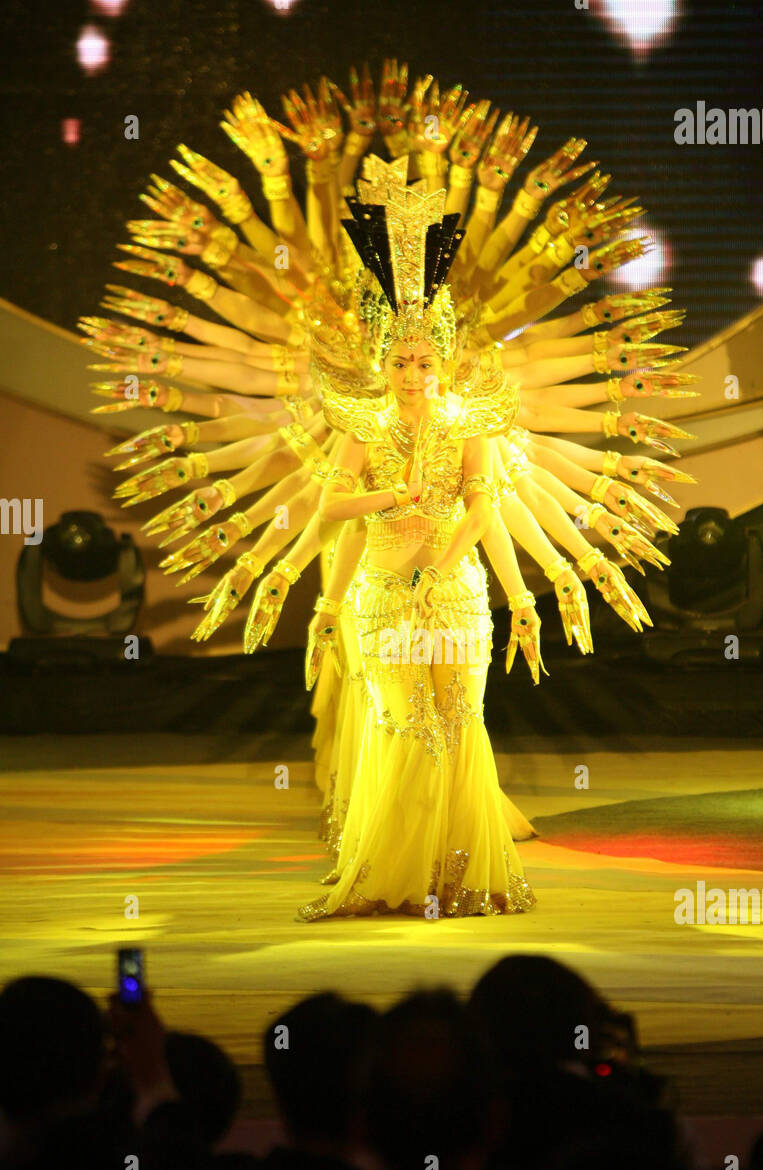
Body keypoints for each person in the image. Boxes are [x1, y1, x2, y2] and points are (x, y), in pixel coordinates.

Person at [86, 63, 697, 918]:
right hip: (379, 587)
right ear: (384, 359)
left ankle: (458, 873)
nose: (412, 374)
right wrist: (339, 576)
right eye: (400, 360)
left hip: (451, 591)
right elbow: (326, 509)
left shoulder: (475, 417)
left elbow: (486, 509)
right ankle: (389, 869)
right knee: (398, 727)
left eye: (423, 359)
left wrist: (522, 594)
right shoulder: (356, 421)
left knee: (460, 730)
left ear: (444, 356)